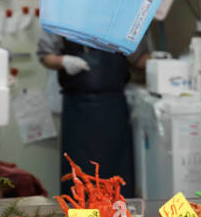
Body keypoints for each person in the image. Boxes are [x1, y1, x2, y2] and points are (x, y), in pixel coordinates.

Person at [37, 32, 138, 197]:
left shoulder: (120, 16)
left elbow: (137, 57)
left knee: (117, 183)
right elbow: (45, 55)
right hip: (78, 111)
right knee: (80, 179)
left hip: (114, 109)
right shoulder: (62, 12)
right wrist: (63, 61)